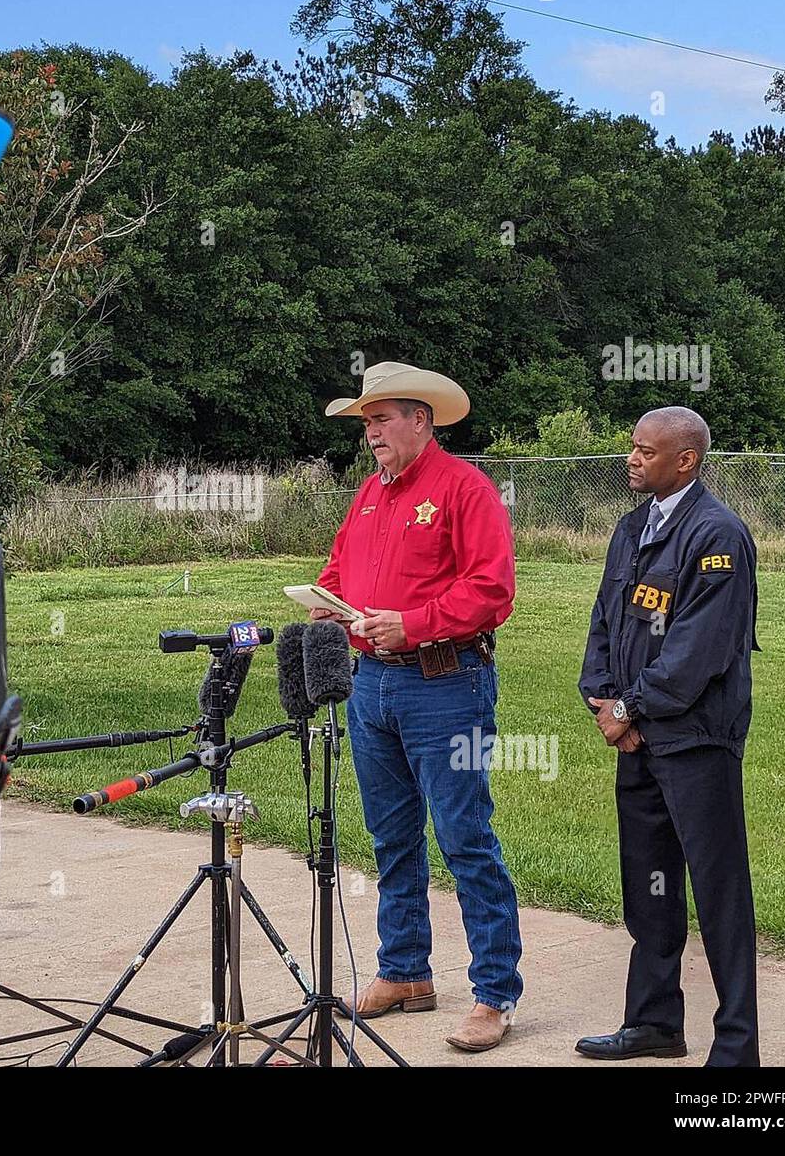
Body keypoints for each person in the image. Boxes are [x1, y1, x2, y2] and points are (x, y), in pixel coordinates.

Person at [313, 360, 522, 1053]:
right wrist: (326, 605)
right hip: (372, 685)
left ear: (421, 420)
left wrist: (416, 622)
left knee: (465, 838)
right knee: (390, 838)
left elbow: (492, 592)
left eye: (380, 419)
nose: (370, 433)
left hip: (445, 682)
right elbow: (340, 572)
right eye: (366, 422)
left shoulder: (465, 489)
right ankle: (404, 972)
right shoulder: (369, 493)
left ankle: (494, 993)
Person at [577, 406, 760, 1067]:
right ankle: (654, 1022)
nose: (632, 458)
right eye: (631, 447)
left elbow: (698, 650)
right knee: (649, 885)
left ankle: (737, 1048)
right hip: (638, 740)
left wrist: (630, 706)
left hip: (695, 741)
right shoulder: (631, 529)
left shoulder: (718, 536)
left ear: (685, 460)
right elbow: (606, 619)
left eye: (645, 451)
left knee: (719, 893)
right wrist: (601, 700)